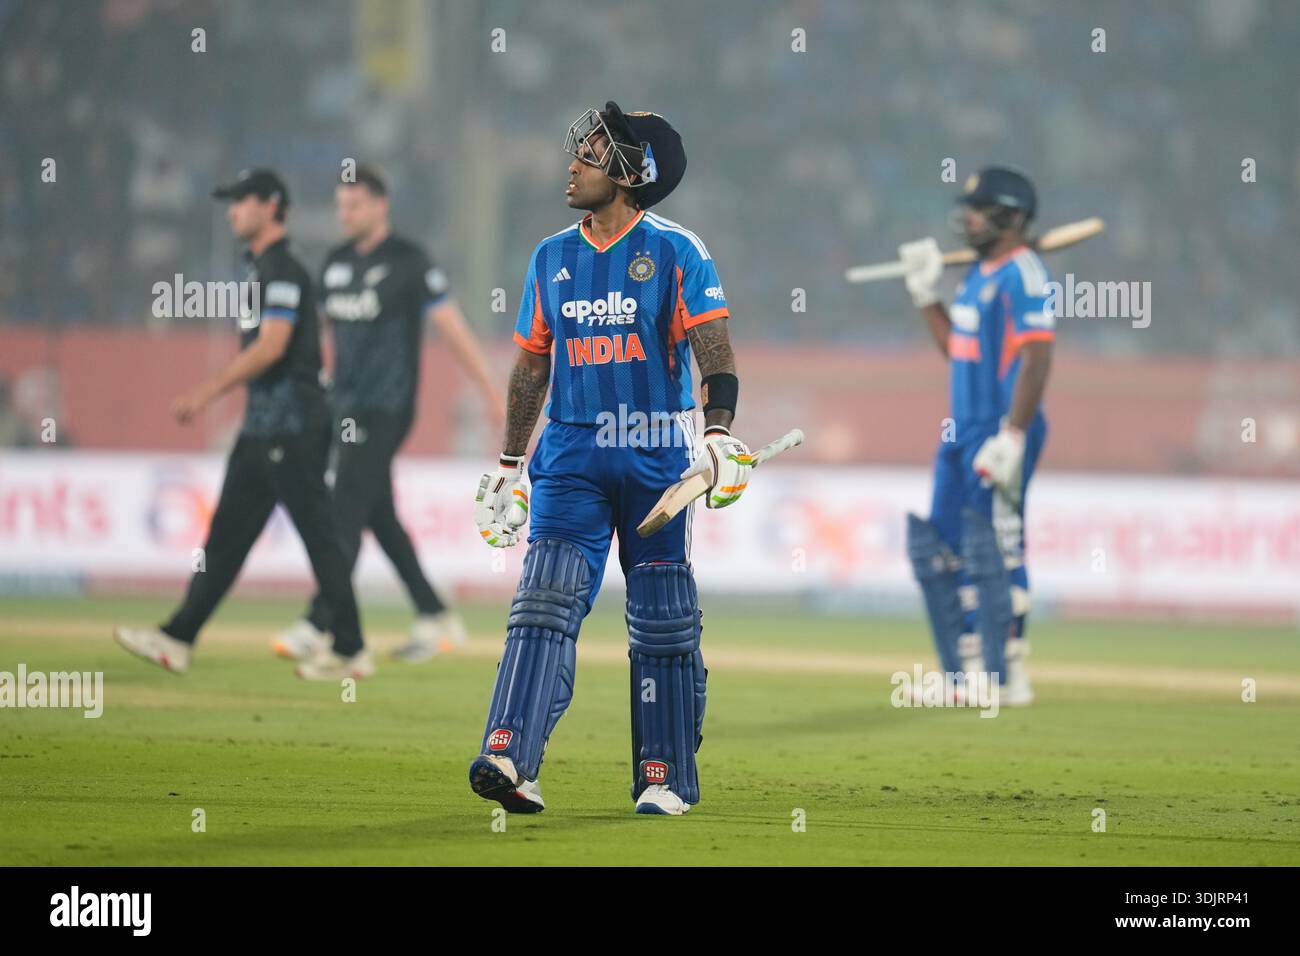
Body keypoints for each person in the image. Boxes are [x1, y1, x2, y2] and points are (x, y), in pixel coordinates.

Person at [468, 102, 753, 815]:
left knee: (661, 618)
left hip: (655, 450)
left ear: (631, 173)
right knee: (544, 601)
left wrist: (717, 434)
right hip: (569, 454)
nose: (572, 165)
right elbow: (532, 367)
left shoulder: (679, 250)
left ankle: (664, 778)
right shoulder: (549, 256)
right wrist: (508, 464)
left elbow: (714, 353)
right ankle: (509, 755)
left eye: (591, 155)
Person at [113, 168, 372, 681]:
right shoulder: (263, 270)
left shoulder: (281, 270)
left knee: (319, 538)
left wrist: (207, 394)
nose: (232, 210)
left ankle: (350, 648)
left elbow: (273, 345)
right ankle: (178, 637)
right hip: (264, 429)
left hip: (292, 429)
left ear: (271, 205)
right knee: (226, 539)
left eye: (241, 201)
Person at [273, 164, 504, 664]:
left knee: (345, 506)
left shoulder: (410, 262)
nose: (345, 214)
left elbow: (450, 326)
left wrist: (488, 386)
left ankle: (319, 622)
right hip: (344, 406)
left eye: (354, 205)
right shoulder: (333, 264)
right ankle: (436, 615)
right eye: (340, 206)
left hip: (388, 406)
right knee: (379, 514)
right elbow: (311, 335)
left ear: (381, 205)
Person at [900, 166, 1055, 706]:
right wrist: (924, 293)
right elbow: (956, 350)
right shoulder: (980, 275)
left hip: (1001, 425)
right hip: (962, 429)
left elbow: (1038, 356)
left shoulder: (1024, 273)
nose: (965, 217)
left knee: (997, 545)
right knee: (943, 547)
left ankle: (1008, 673)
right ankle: (967, 675)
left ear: (1010, 216)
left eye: (978, 208)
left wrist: (1014, 433)